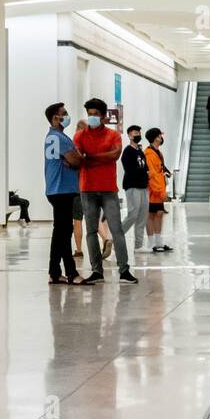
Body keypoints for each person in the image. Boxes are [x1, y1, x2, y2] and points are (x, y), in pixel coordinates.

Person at [74, 98, 138, 284]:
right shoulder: (80, 136)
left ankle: (124, 270)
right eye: (90, 114)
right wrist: (100, 158)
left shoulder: (113, 135)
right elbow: (79, 157)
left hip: (109, 189)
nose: (92, 117)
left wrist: (90, 157)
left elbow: (115, 155)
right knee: (91, 231)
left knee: (117, 230)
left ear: (103, 116)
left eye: (95, 114)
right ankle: (97, 271)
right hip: (87, 188)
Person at [44, 103, 87, 285]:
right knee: (64, 233)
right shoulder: (59, 138)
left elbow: (75, 159)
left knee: (60, 231)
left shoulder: (54, 136)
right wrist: (78, 158)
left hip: (58, 189)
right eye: (63, 113)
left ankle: (54, 272)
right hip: (61, 189)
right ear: (55, 117)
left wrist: (76, 158)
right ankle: (71, 273)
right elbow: (76, 160)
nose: (66, 116)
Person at [120, 124, 149, 253]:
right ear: (129, 136)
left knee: (142, 215)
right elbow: (129, 169)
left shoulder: (140, 151)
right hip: (132, 186)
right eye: (134, 132)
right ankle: (116, 238)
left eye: (138, 132)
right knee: (133, 214)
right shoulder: (127, 151)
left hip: (143, 187)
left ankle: (138, 245)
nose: (137, 134)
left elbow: (145, 167)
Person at [145, 126, 173, 252]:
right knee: (150, 214)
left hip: (159, 189)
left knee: (159, 214)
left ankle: (158, 241)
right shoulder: (148, 154)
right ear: (155, 138)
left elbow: (160, 170)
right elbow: (152, 175)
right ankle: (151, 243)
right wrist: (160, 192)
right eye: (160, 135)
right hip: (152, 191)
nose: (161, 138)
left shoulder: (158, 153)